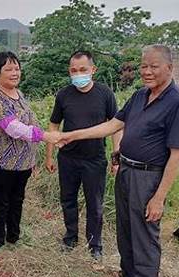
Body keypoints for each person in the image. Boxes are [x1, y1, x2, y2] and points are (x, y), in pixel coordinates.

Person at [58, 45, 179, 277]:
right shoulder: (140, 96)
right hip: (126, 171)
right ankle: (128, 273)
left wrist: (159, 197)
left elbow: (177, 154)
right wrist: (72, 135)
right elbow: (113, 125)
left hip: (148, 177)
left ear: (169, 68)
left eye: (154, 66)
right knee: (125, 229)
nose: (147, 71)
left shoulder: (178, 103)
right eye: (144, 66)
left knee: (145, 235)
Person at [45, 50, 122, 259]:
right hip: (68, 158)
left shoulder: (105, 94)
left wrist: (116, 158)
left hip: (94, 160)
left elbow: (116, 126)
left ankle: (94, 244)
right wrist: (49, 156)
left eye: (82, 70)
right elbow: (54, 125)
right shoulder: (63, 95)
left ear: (93, 70)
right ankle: (70, 237)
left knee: (95, 204)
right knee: (67, 200)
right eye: (73, 70)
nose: (78, 74)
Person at [0, 51, 61, 250]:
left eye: (17, 68)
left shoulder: (19, 94)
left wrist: (32, 158)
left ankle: (13, 239)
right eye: (8, 69)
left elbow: (30, 121)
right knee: (0, 203)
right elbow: (13, 128)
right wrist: (45, 136)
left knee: (17, 200)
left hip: (22, 162)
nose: (14, 72)